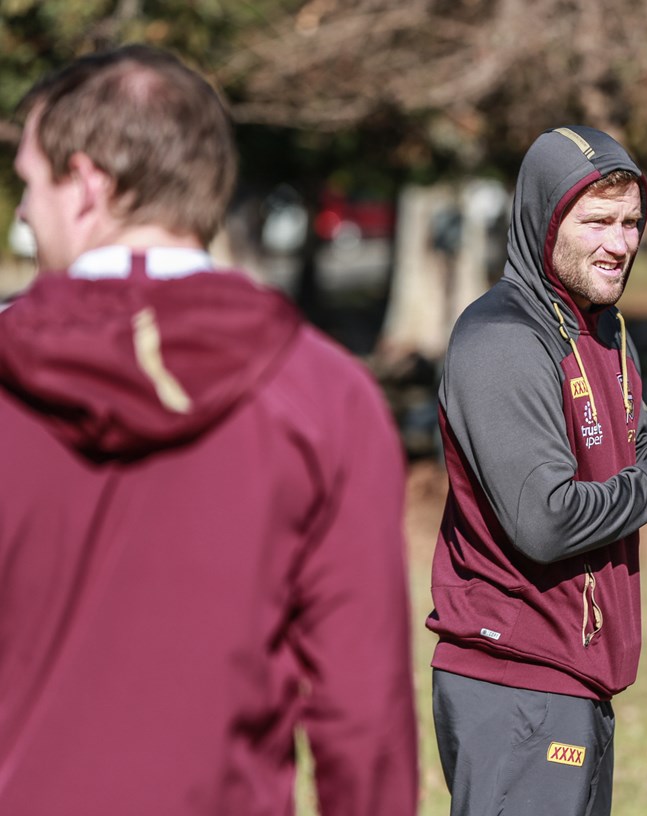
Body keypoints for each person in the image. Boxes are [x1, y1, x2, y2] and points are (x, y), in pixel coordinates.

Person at [0, 46, 418, 815]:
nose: (24, 213)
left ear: (88, 183)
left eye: (29, 183)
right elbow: (363, 715)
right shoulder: (327, 395)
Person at [427, 125, 647, 815]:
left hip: (576, 679)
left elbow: (640, 478)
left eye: (632, 222)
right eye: (597, 222)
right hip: (516, 683)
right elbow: (547, 521)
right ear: (544, 219)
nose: (620, 244)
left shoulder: (603, 330)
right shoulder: (501, 341)